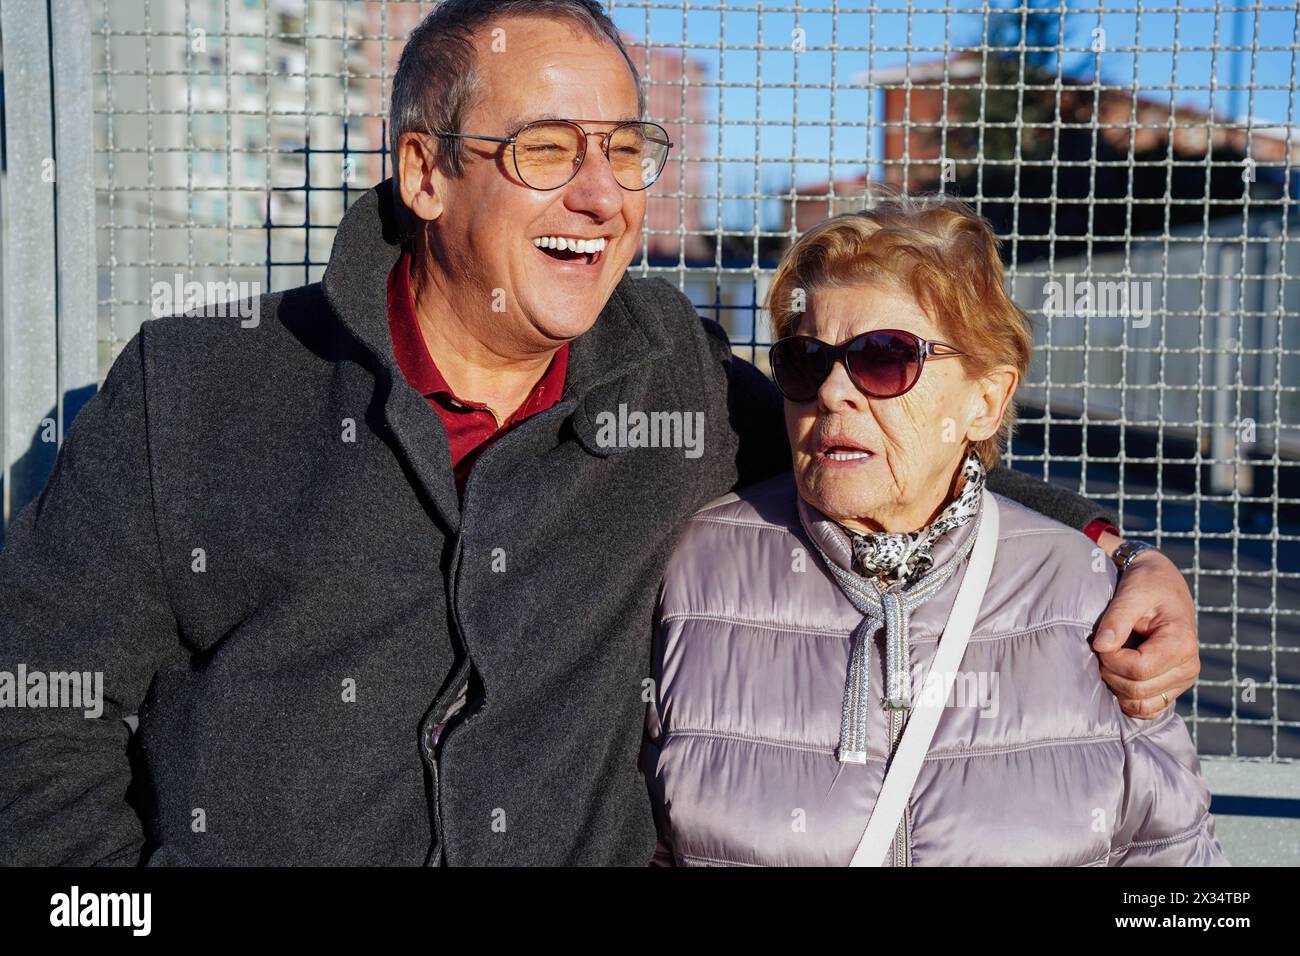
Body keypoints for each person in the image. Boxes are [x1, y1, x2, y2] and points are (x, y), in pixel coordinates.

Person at [0, 1, 1199, 866]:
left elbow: (872, 439)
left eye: (626, 149)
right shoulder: (199, 391)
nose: (603, 195)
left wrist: (1108, 545)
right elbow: (36, 715)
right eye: (547, 151)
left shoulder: (657, 366)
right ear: (424, 173)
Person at [643, 199, 1226, 866]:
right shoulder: (692, 570)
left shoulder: (1090, 596)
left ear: (986, 400)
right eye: (807, 360)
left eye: (885, 358)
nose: (833, 392)